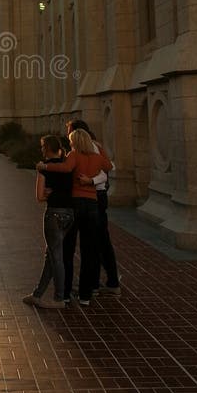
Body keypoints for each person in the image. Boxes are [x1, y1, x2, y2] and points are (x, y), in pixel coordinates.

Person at [37, 129, 112, 306]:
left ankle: (65, 293)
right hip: (92, 204)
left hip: (76, 203)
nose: (70, 144)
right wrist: (93, 179)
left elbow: (65, 168)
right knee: (89, 250)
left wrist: (44, 166)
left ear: (75, 142)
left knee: (68, 250)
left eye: (71, 141)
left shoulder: (74, 155)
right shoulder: (97, 157)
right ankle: (86, 295)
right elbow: (108, 167)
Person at [68, 119, 121, 296]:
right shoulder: (87, 148)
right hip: (93, 197)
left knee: (97, 241)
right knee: (98, 241)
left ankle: (99, 284)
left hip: (94, 196)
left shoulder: (92, 148)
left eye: (69, 131)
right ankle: (99, 283)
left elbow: (107, 169)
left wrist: (91, 180)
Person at [23, 135, 75, 309]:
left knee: (56, 257)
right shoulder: (68, 166)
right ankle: (37, 294)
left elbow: (39, 196)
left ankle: (59, 298)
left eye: (42, 147)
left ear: (46, 149)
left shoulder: (44, 169)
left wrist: (48, 193)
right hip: (69, 214)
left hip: (53, 214)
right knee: (51, 256)